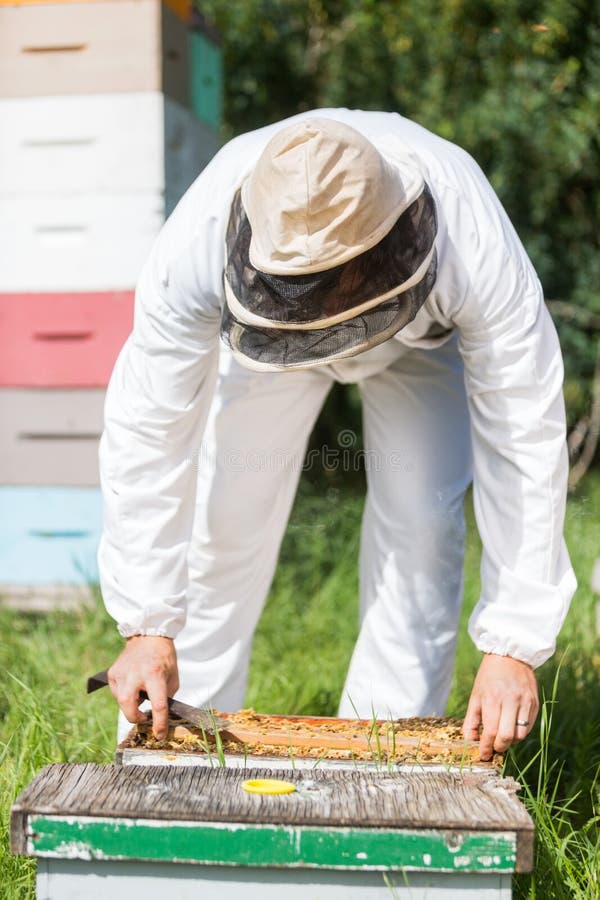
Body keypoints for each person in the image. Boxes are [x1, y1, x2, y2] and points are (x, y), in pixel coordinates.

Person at [100, 110, 576, 760]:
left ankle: (386, 755)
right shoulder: (198, 239)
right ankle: (170, 739)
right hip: (266, 352)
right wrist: (145, 622)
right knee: (225, 519)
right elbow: (149, 427)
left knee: (422, 523)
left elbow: (525, 431)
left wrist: (513, 644)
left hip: (418, 349)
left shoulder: (472, 236)